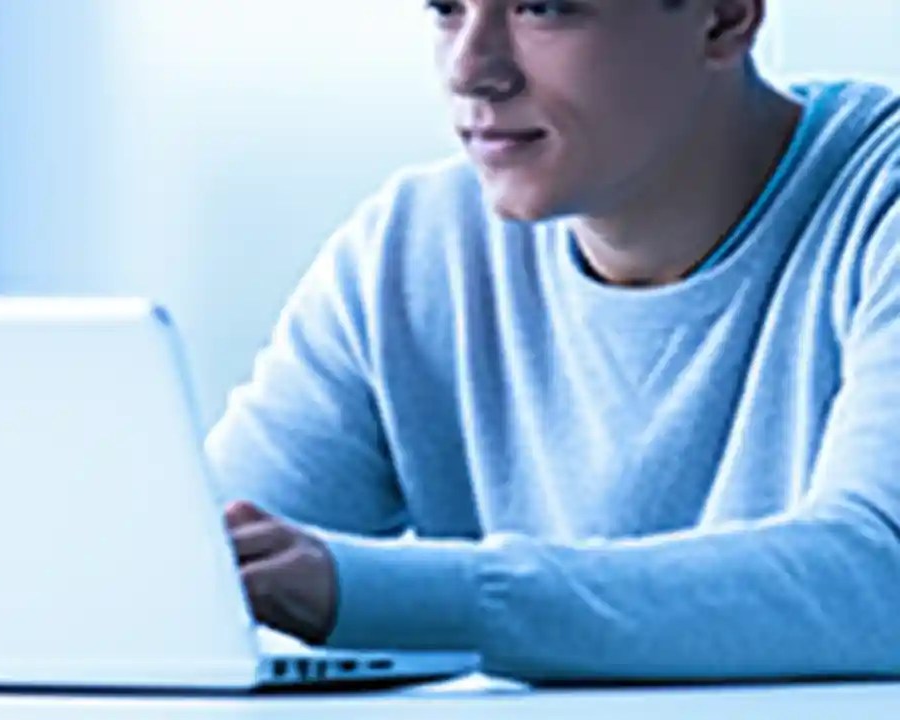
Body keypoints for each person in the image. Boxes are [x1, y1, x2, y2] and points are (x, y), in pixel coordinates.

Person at [204, 0, 900, 682]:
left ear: (723, 19)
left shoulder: (877, 206)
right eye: (447, 10)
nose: (471, 70)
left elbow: (881, 577)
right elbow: (192, 571)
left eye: (543, 10)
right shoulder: (417, 249)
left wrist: (372, 592)